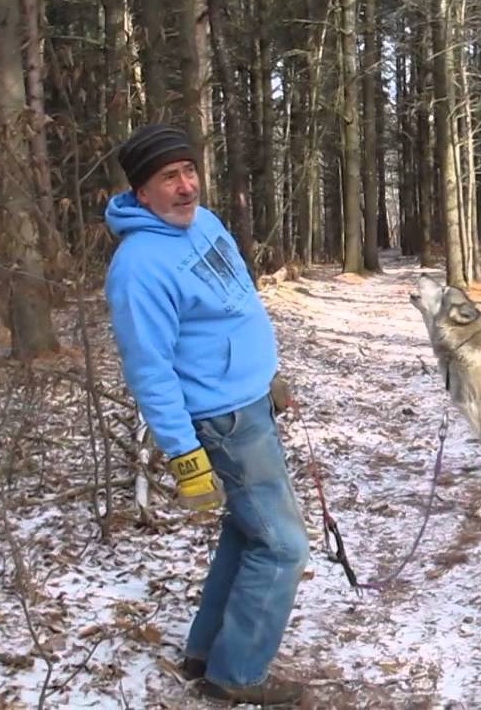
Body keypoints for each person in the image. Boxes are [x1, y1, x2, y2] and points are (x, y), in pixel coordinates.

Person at [103, 124, 310, 706]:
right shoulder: (138, 267)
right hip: (222, 424)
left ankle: (205, 653)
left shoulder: (205, 223)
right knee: (282, 547)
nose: (186, 186)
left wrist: (267, 376)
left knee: (247, 535)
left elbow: (238, 304)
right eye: (169, 177)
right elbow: (149, 370)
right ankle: (237, 674)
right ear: (141, 192)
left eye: (189, 170)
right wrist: (184, 455)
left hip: (251, 404)